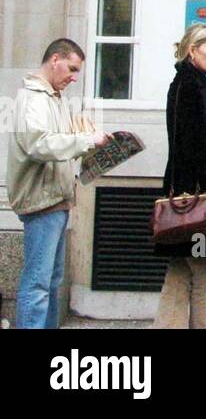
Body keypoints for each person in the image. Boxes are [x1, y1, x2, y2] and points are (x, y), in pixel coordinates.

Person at [9, 39, 109, 329]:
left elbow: (57, 144)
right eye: (72, 68)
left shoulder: (52, 98)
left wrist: (87, 138)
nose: (74, 77)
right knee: (38, 285)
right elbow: (38, 144)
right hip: (43, 201)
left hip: (54, 199)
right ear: (55, 59)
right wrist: (86, 140)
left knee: (49, 283)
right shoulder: (35, 98)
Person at [154, 24, 206, 328]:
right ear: (192, 50)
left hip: (188, 197)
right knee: (203, 271)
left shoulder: (188, 82)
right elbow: (194, 146)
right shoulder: (192, 85)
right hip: (196, 202)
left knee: (180, 271)